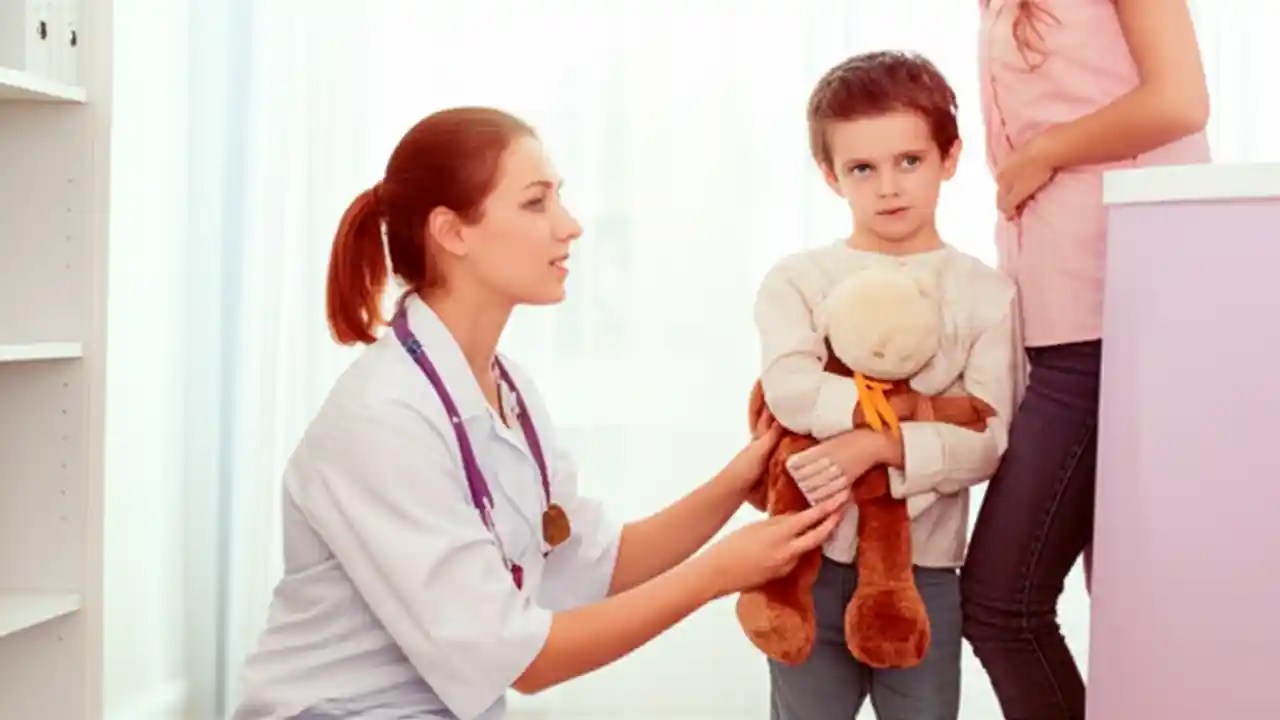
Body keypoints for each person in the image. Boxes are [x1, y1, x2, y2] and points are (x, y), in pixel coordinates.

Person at [231, 107, 850, 720]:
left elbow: (594, 561)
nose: (571, 226)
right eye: (536, 203)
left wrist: (741, 477)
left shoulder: (506, 391)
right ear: (452, 232)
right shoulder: (383, 421)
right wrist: (717, 574)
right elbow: (526, 664)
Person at [961, 1, 1212, 718]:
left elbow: (1179, 98)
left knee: (1002, 602)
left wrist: (1043, 152)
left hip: (1115, 314)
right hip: (1061, 318)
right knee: (1104, 609)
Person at [752, 51, 1019, 720]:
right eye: (862, 169)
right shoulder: (799, 279)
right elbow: (789, 388)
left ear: (949, 157)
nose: (889, 187)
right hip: (804, 562)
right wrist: (898, 421)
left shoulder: (986, 294)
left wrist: (873, 450)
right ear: (829, 175)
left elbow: (985, 441)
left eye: (910, 161)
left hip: (923, 574)